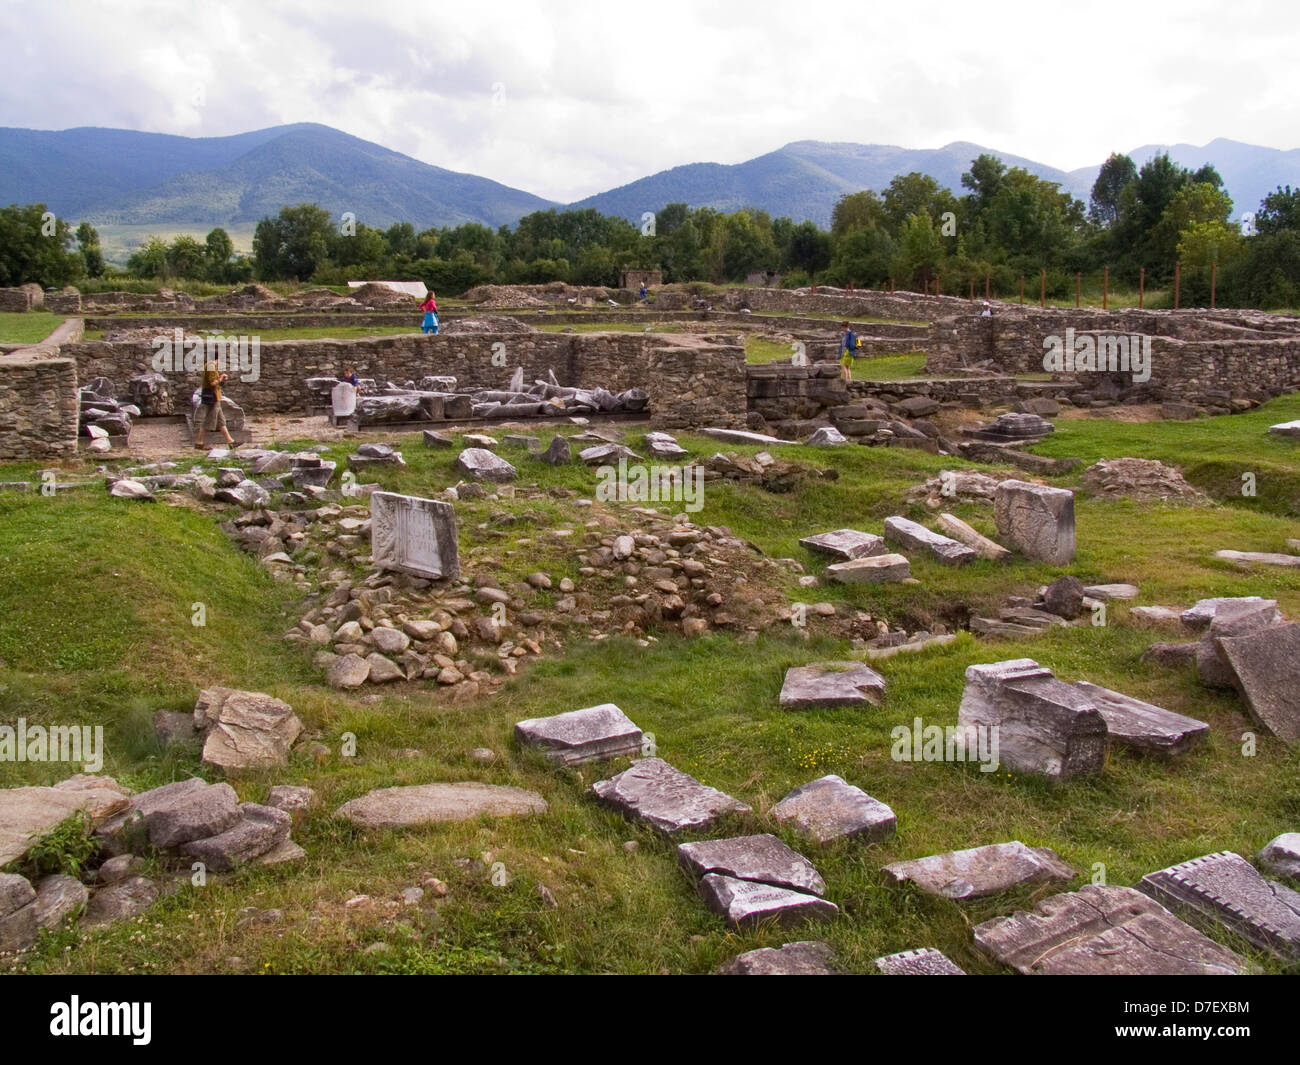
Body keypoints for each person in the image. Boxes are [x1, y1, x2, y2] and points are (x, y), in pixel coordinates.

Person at [194, 359, 234, 448]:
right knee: (209, 419)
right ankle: (199, 442)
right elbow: (212, 382)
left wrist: (220, 377)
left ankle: (230, 441)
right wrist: (221, 378)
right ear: (217, 358)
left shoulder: (210, 365)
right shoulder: (211, 366)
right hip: (213, 397)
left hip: (215, 397)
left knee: (221, 421)